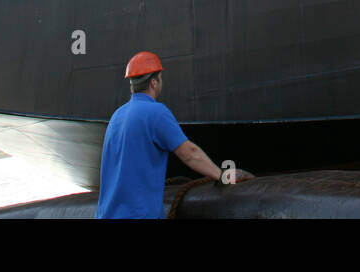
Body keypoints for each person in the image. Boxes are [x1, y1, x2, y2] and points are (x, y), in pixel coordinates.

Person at [96, 51, 251, 219]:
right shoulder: (156, 112)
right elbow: (189, 154)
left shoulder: (116, 116)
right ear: (154, 82)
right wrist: (221, 175)